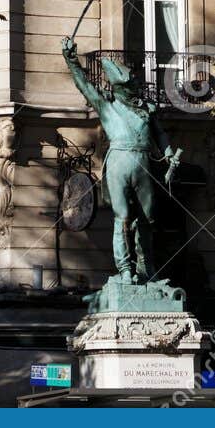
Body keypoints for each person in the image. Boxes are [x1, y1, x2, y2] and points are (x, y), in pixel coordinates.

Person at [61, 37, 181, 283]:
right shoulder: (107, 106)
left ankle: (147, 270)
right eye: (130, 83)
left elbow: (159, 133)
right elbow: (83, 84)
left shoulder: (147, 107)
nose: (135, 85)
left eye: (134, 82)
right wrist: (71, 59)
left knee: (146, 219)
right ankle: (126, 270)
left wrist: (167, 152)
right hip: (118, 162)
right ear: (120, 88)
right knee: (123, 217)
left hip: (143, 162)